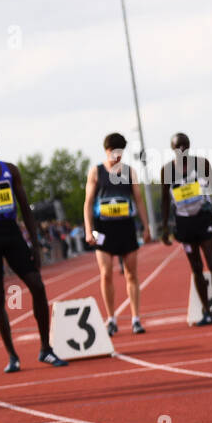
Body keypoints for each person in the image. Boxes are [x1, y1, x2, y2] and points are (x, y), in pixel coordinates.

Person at [0, 129, 68, 372]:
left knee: (37, 286)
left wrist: (36, 244)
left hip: (12, 232)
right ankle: (12, 355)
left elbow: (26, 209)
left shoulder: (10, 170)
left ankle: (45, 348)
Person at [158, 133, 212, 326]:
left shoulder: (202, 164)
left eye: (184, 145)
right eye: (177, 146)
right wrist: (165, 227)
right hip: (183, 223)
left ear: (189, 146)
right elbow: (165, 200)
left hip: (203, 218)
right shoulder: (167, 170)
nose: (181, 149)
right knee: (196, 268)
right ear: (172, 149)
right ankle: (207, 311)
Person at [84, 133, 150, 334]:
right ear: (106, 150)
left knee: (131, 274)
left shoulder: (130, 172)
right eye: (114, 152)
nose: (117, 156)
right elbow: (87, 202)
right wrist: (88, 230)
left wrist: (146, 226)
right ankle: (111, 318)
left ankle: (135, 318)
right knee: (106, 274)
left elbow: (138, 200)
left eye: (121, 153)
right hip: (103, 229)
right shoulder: (96, 172)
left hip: (126, 227)